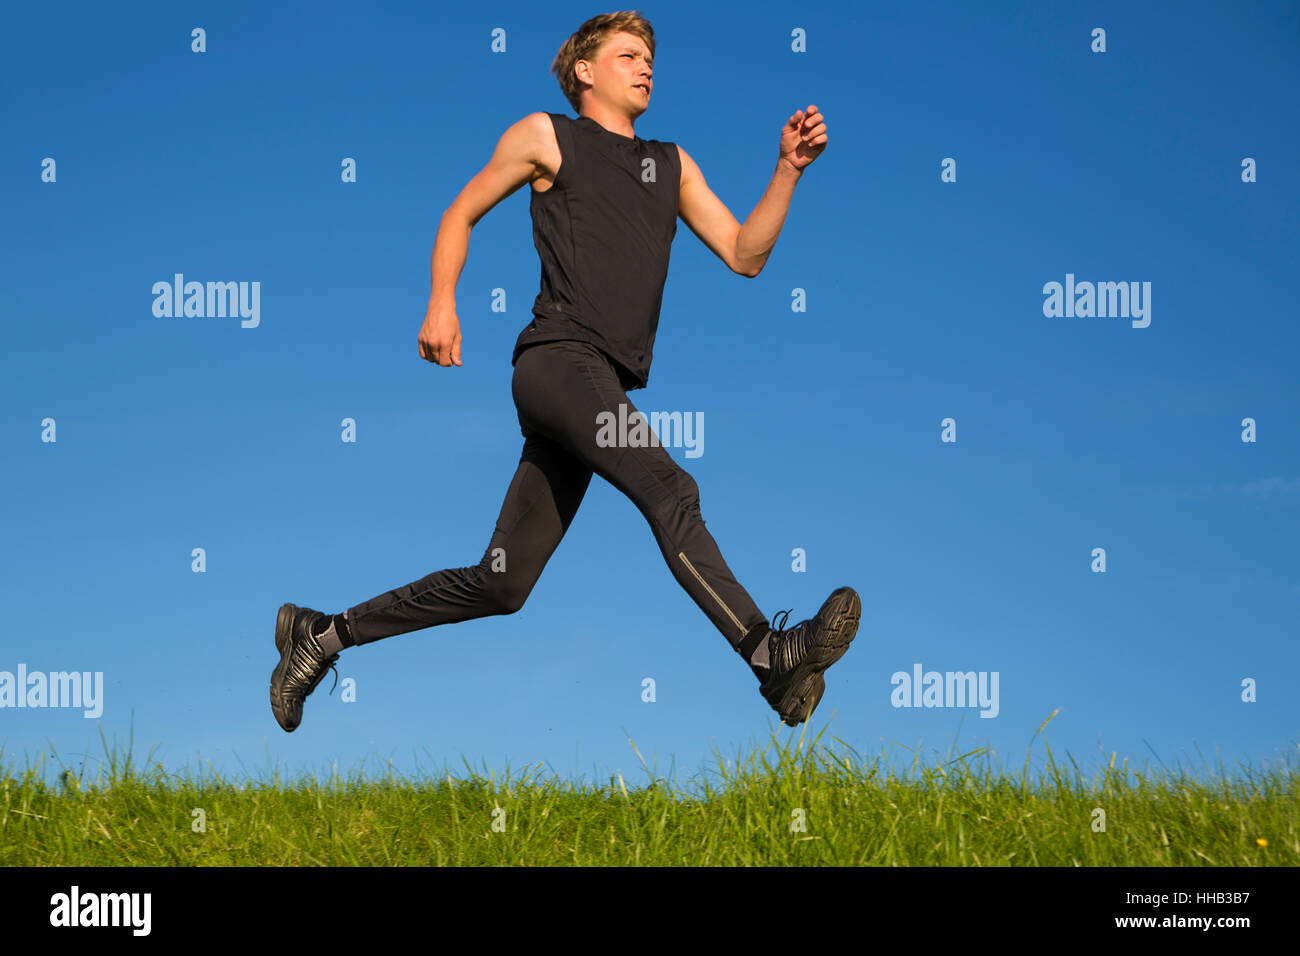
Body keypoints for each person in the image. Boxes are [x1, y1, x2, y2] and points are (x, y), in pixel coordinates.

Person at [270, 10, 860, 735]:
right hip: (557, 362)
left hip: (599, 384)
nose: (646, 66)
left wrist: (786, 171)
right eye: (628, 54)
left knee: (503, 581)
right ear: (585, 70)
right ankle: (771, 656)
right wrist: (442, 301)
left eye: (651, 57)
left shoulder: (671, 166)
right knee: (669, 487)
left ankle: (320, 636)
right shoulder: (547, 136)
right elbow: (461, 212)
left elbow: (744, 252)